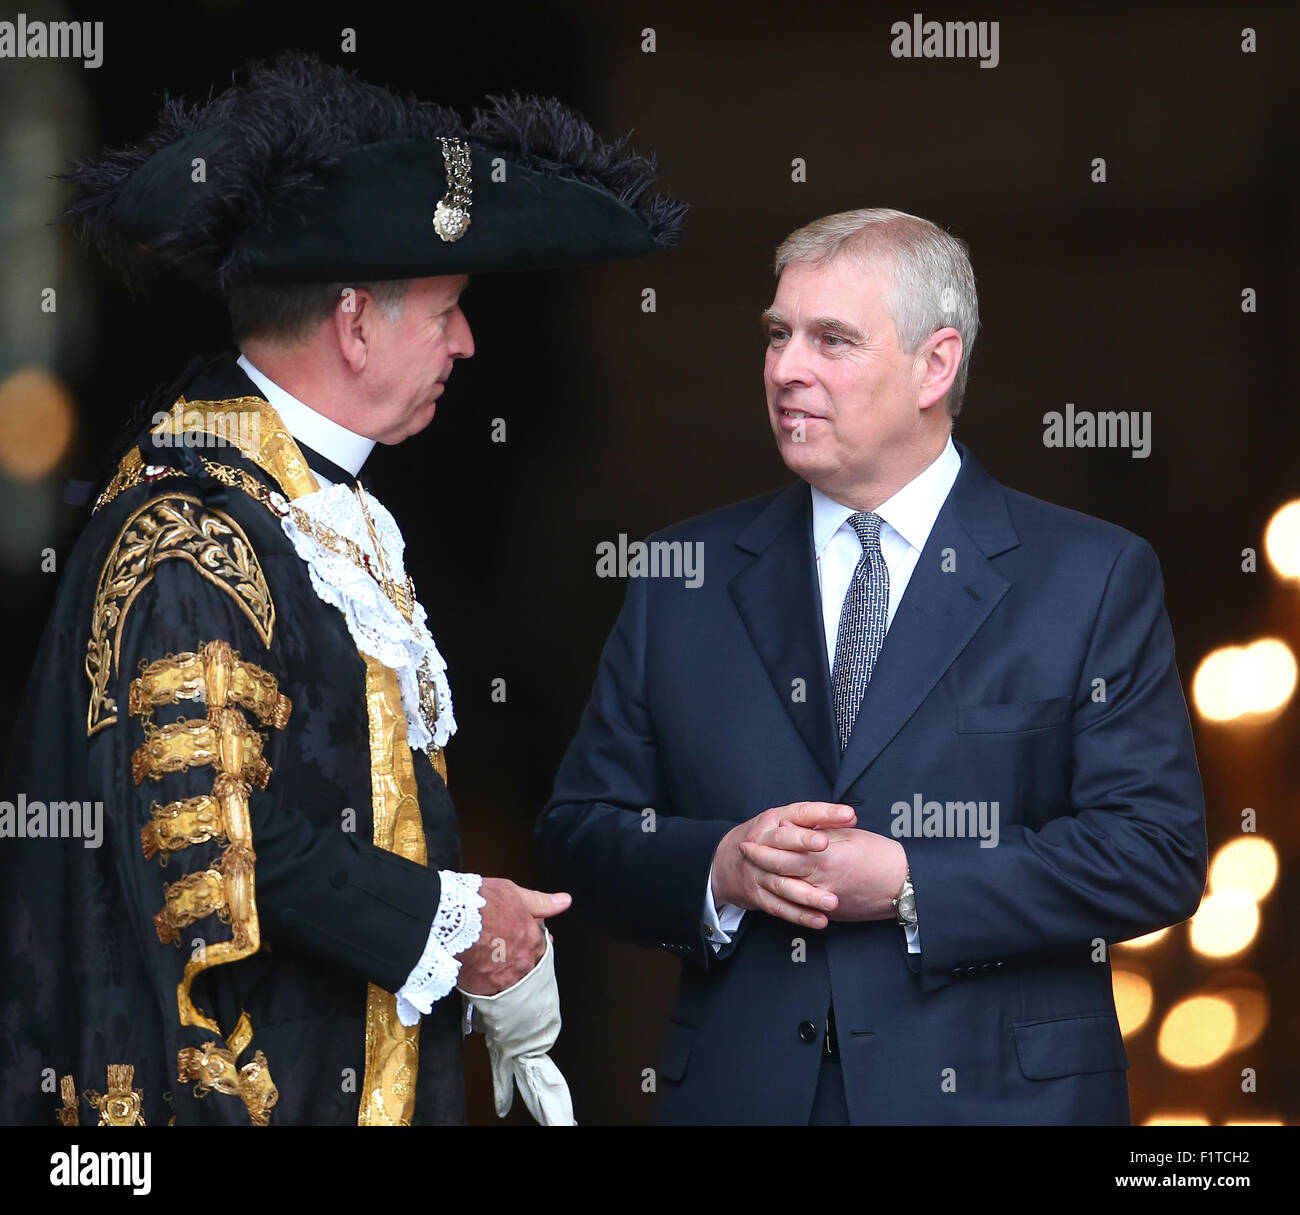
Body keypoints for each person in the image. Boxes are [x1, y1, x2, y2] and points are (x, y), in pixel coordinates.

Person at [0, 51, 684, 1126]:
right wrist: (462, 923)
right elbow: (211, 840)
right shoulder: (190, 534)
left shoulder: (301, 507)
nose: (465, 341)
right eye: (447, 309)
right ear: (357, 321)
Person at [537, 208, 1207, 1125]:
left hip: (1002, 1103)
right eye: (777, 335)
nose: (785, 369)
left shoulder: (1090, 576)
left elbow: (1154, 854)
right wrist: (722, 869)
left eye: (832, 340)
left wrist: (908, 881)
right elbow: (580, 834)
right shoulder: (678, 576)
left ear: (936, 365)